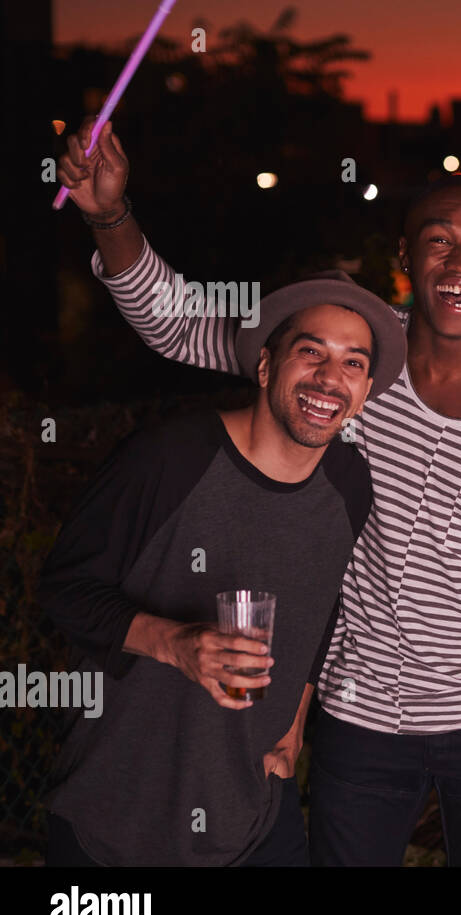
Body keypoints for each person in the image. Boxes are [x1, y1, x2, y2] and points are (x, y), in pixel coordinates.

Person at [55, 116, 461, 865]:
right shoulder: (349, 360)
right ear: (405, 257)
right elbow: (180, 325)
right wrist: (110, 216)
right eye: (438, 239)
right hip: (358, 721)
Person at [38, 269, 403, 865]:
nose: (330, 377)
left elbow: (322, 602)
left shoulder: (349, 482)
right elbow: (64, 589)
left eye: (353, 363)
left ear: (363, 392)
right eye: (310, 351)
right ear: (265, 366)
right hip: (119, 813)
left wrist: (296, 716)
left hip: (253, 810)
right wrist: (175, 642)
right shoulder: (170, 457)